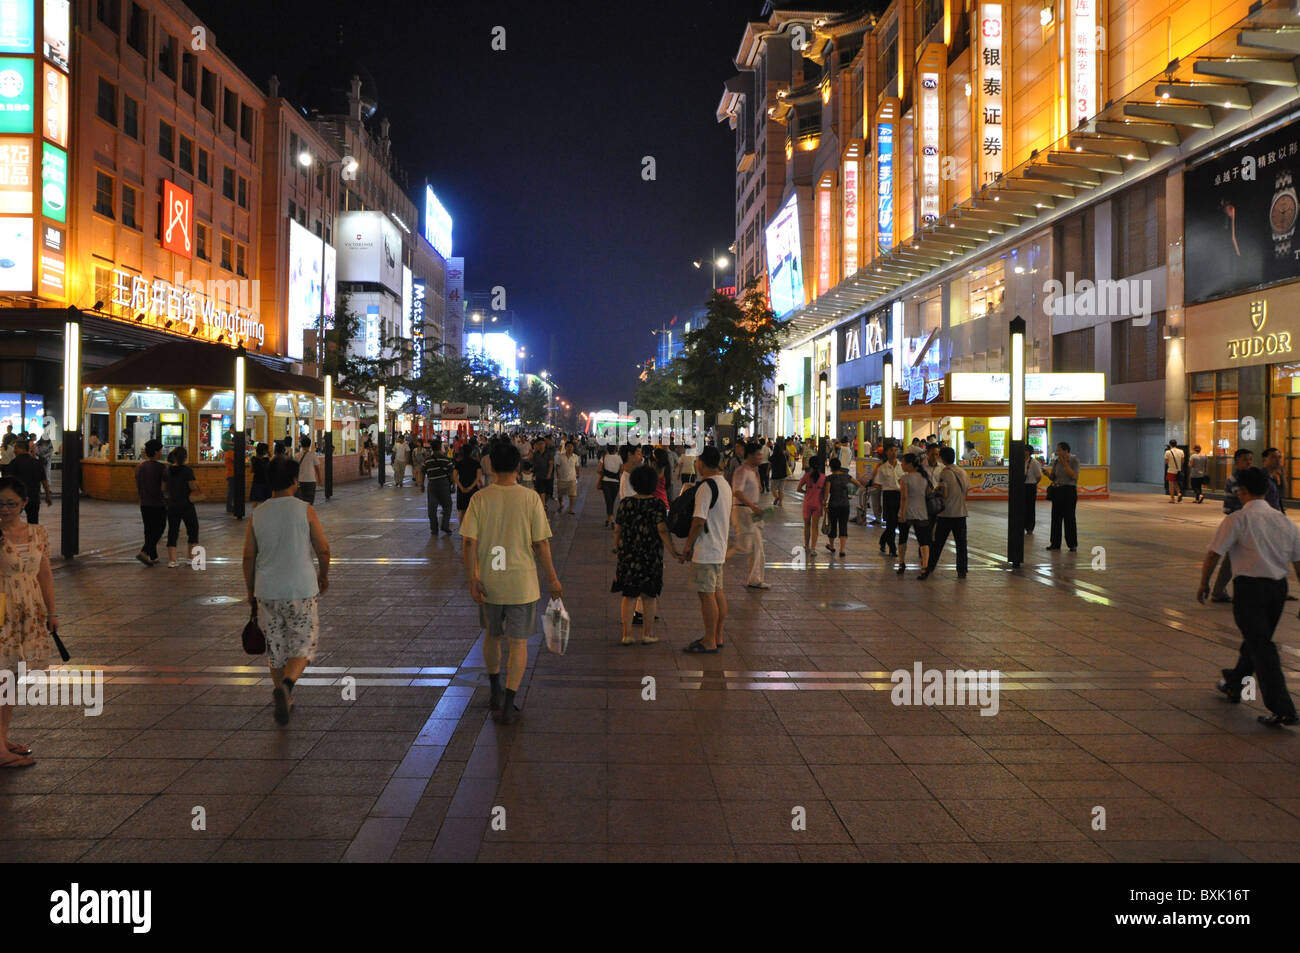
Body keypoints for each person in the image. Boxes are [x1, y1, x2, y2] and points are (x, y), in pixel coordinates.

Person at [460, 440, 563, 725]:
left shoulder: (480, 499)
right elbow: (540, 544)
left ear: (490, 465)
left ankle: (493, 689)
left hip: (489, 583)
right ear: (518, 466)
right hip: (522, 584)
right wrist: (552, 578)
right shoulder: (530, 498)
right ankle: (508, 701)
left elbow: (469, 542)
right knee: (518, 644)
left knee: (492, 636)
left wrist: (473, 579)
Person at [1197, 467, 1299, 726]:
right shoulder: (1286, 522)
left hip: (1249, 590)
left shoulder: (1237, 520)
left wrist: (1204, 584)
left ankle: (1282, 707)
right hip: (1278, 590)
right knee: (1258, 640)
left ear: (1241, 491)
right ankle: (1233, 683)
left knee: (1262, 646)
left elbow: (1214, 553)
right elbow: (1299, 563)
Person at [242, 456, 331, 726]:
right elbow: (324, 549)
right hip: (301, 588)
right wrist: (323, 575)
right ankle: (288, 686)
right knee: (303, 642)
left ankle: (284, 694)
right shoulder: (305, 510)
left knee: (276, 648)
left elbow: (247, 558)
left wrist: (250, 590)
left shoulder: (258, 512)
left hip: (267, 590)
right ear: (294, 480)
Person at [0, 477, 56, 767]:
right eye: (0, 504)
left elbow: (44, 573)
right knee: (2, 676)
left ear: (23, 503)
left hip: (29, 610)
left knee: (11, 676)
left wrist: (52, 612)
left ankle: (2, 737)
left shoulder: (37, 533)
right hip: (1, 610)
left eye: (11, 503)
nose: (5, 509)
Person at [612, 464, 677, 645]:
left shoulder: (626, 503)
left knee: (629, 595)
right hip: (651, 555)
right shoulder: (657, 504)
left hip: (629, 555)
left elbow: (618, 529)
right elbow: (662, 531)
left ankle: (626, 634)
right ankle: (648, 634)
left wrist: (617, 548)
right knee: (649, 596)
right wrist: (674, 552)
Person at [682, 445, 732, 653]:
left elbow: (698, 520)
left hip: (706, 549)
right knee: (717, 593)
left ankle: (709, 640)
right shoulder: (724, 484)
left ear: (702, 463)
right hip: (719, 547)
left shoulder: (706, 486)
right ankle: (717, 636)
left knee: (706, 595)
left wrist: (688, 545)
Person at [1211, 449, 1255, 603]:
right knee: (1233, 557)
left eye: (1250, 459)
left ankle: (1219, 590)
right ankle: (1220, 590)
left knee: (1233, 557)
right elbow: (1235, 502)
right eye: (1245, 459)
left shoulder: (1250, 478)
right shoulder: (1234, 479)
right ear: (1236, 462)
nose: (1249, 462)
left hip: (1247, 521)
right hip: (1238, 521)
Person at [728, 440, 769, 589]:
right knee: (743, 546)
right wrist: (753, 506)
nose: (760, 457)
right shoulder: (742, 471)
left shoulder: (753, 471)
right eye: (758, 455)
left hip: (752, 511)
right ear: (750, 455)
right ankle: (719, 558)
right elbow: (737, 491)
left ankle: (755, 579)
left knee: (758, 547)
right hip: (743, 510)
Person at [926, 447, 971, 578]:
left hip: (946, 514)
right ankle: (962, 570)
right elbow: (966, 491)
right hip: (961, 513)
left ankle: (930, 566)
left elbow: (943, 494)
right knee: (961, 544)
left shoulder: (945, 473)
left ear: (942, 458)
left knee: (938, 543)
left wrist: (935, 492)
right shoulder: (962, 471)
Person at [165, 446, 202, 568]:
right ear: (185, 457)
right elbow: (192, 487)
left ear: (174, 456)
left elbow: (163, 488)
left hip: (172, 504)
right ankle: (191, 558)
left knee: (173, 531)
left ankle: (172, 560)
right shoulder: (187, 471)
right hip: (186, 504)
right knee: (193, 529)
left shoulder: (167, 470)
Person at [897, 453, 933, 579]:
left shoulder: (905, 479)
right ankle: (924, 567)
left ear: (910, 464)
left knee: (903, 539)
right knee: (923, 541)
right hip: (922, 512)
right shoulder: (924, 477)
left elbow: (904, 498)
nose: (901, 464)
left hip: (908, 512)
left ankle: (901, 563)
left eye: (903, 463)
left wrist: (902, 513)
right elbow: (929, 494)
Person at [134, 438, 166, 567]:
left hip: (144, 502)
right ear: (156, 452)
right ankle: (144, 551)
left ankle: (153, 556)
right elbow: (163, 487)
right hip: (158, 503)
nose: (161, 453)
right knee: (160, 528)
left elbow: (138, 483)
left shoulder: (140, 467)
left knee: (149, 529)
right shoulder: (161, 467)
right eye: (160, 450)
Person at [3, 440, 51, 525]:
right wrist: (48, 495)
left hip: (17, 498)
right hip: (34, 497)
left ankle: (16, 537)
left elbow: (8, 482)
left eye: (16, 448)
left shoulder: (13, 463)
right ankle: (32, 537)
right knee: (33, 522)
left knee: (12, 522)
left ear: (21, 449)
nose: (14, 450)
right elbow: (44, 481)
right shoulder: (36, 463)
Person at [823, 458, 863, 559]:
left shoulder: (830, 478)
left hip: (833, 504)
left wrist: (824, 504)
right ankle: (842, 549)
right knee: (843, 525)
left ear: (831, 467)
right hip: (845, 504)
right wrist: (851, 494)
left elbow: (826, 493)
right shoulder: (847, 477)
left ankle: (832, 546)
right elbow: (858, 484)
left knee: (832, 525)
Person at [1044, 442, 1080, 553]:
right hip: (1057, 490)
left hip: (1069, 491)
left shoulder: (1073, 460)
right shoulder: (1056, 461)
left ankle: (1072, 544)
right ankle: (1055, 543)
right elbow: (1053, 477)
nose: (1057, 452)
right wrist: (1047, 474)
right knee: (1056, 518)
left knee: (1069, 518)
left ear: (1066, 451)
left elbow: (1074, 476)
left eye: (1059, 450)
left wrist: (1065, 463)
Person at [874, 443, 903, 558]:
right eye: (891, 450)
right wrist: (878, 505)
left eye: (896, 450)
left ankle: (883, 540)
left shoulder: (902, 466)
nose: (894, 453)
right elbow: (879, 487)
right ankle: (892, 548)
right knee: (891, 524)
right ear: (887, 452)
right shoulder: (882, 468)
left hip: (900, 495)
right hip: (888, 496)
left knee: (896, 523)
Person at [797, 455, 828, 561]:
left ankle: (806, 545)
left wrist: (807, 492)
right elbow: (825, 494)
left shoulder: (806, 476)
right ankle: (813, 548)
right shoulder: (824, 477)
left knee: (807, 526)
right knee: (815, 527)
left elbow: (798, 489)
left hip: (807, 503)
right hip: (818, 504)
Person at [423, 439, 455, 534]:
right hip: (443, 485)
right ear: (440, 447)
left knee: (432, 508)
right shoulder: (446, 460)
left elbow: (422, 472)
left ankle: (434, 528)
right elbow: (451, 474)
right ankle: (445, 525)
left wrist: (421, 484)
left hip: (432, 485)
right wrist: (454, 485)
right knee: (447, 506)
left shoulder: (427, 460)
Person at [453, 442, 480, 532]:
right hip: (473, 489)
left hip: (462, 488)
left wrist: (461, 487)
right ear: (471, 452)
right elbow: (478, 477)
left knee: (461, 510)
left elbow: (455, 476)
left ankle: (462, 529)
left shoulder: (459, 463)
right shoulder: (476, 463)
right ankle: (472, 529)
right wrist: (471, 487)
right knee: (473, 509)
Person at [599, 444, 622, 529]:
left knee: (608, 501)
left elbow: (598, 469)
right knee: (611, 500)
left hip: (606, 481)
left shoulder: (604, 457)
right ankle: (611, 519)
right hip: (616, 482)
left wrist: (606, 472)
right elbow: (622, 470)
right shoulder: (619, 458)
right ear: (615, 449)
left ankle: (609, 518)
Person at [295, 437, 322, 504]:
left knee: (301, 501)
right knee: (309, 502)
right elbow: (317, 468)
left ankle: (303, 513)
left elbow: (295, 470)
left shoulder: (297, 456)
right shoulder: (313, 455)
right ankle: (308, 513)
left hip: (300, 481)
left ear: (301, 444)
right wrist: (319, 479)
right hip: (311, 481)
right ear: (310, 445)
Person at [555, 440, 579, 515]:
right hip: (562, 478)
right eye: (568, 446)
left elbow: (577, 466)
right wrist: (558, 475)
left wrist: (578, 474)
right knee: (560, 494)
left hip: (572, 478)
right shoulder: (561, 457)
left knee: (572, 495)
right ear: (565, 447)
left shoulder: (575, 457)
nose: (570, 448)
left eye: (571, 447)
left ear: (573, 448)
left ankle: (571, 509)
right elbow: (557, 466)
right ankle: (561, 504)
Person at [533, 436, 555, 511]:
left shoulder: (549, 453)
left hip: (548, 475)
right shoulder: (535, 454)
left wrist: (549, 473)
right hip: (539, 475)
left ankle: (544, 503)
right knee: (541, 491)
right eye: (539, 444)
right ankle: (542, 507)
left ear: (545, 444)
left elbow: (551, 464)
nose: (540, 445)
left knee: (548, 493)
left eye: (542, 444)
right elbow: (533, 464)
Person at [1024, 448, 1043, 534]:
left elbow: (1039, 476)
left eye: (1024, 450)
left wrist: (1034, 484)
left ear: (1028, 452)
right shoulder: (1021, 461)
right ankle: (1023, 525)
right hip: (1022, 486)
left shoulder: (1034, 462)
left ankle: (1030, 527)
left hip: (1031, 486)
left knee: (1030, 507)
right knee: (1022, 507)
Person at [1263, 447, 1287, 513]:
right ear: (1264, 459)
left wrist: (1282, 476)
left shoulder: (1274, 477)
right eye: (1273, 457)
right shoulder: (1261, 476)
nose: (1277, 460)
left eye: (1279, 457)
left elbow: (1282, 493)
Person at [249, 443, 271, 509]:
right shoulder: (266, 460)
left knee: (255, 500)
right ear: (264, 451)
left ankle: (254, 514)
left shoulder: (253, 459)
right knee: (266, 500)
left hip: (257, 481)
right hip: (266, 481)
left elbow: (251, 470)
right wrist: (269, 453)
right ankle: (264, 514)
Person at [769, 437, 789, 507]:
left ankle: (776, 497)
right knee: (781, 489)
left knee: (773, 488)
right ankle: (780, 502)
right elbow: (788, 459)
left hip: (775, 474)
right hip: (783, 474)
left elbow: (770, 460)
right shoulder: (783, 454)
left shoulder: (774, 455)